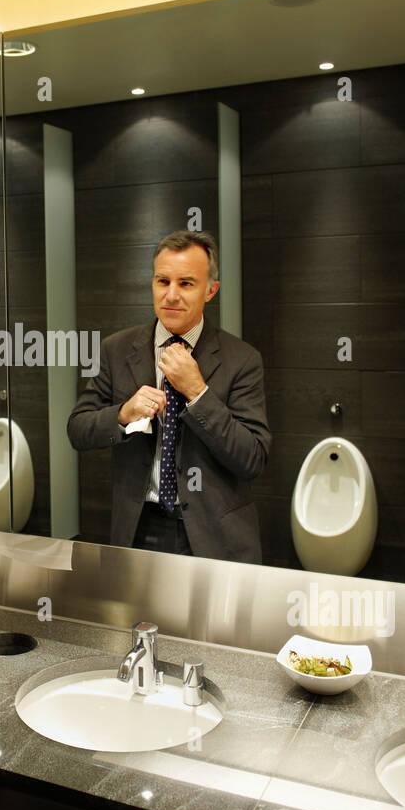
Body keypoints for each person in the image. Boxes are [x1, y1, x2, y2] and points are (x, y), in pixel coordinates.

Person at [67, 229, 270, 561]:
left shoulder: (242, 360)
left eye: (186, 284)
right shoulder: (117, 350)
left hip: (215, 535)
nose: (171, 295)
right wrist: (122, 414)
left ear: (210, 290)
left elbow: (252, 457)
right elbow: (78, 429)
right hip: (138, 528)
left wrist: (197, 392)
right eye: (163, 282)